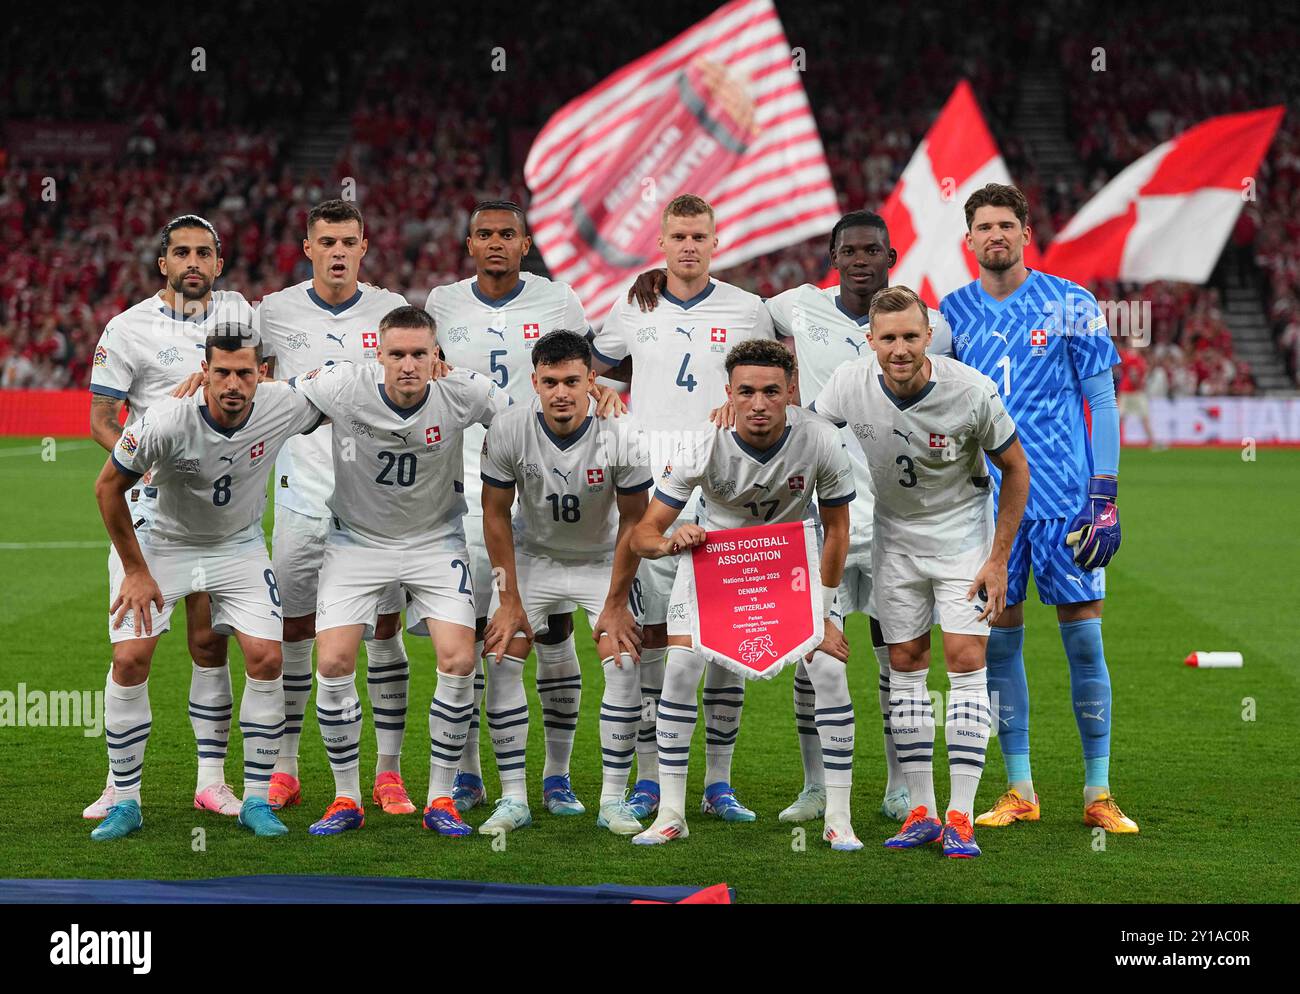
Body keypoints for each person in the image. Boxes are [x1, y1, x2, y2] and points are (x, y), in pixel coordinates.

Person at [940, 183, 1137, 834]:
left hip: (1064, 503)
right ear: (968, 240)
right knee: (1000, 644)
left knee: (1085, 639)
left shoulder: (1072, 304)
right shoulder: (951, 315)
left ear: (1027, 232)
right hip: (987, 508)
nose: (994, 235)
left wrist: (1104, 498)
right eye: (982, 226)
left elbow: (1102, 403)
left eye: (1006, 224)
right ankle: (1019, 787)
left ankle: (1098, 791)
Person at [811, 285, 1029, 857]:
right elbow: (802, 437)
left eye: (911, 336)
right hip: (895, 540)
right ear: (870, 340)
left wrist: (998, 558)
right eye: (888, 338)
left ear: (929, 335)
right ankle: (922, 811)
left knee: (965, 661)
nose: (900, 348)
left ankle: (961, 814)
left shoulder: (969, 390)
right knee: (905, 664)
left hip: (963, 540)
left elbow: (1015, 468)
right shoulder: (848, 385)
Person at [90, 325, 325, 840]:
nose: (233, 384)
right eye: (222, 373)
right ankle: (125, 801)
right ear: (205, 372)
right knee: (130, 658)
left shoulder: (282, 405)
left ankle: (257, 800)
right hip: (160, 545)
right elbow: (107, 488)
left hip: (236, 548)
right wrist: (134, 569)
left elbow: (344, 389)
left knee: (266, 656)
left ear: (261, 374)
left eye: (244, 372)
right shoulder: (167, 419)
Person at [285, 306, 510, 838]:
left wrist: (601, 401)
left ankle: (440, 797)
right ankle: (345, 797)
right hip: (355, 542)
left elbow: (525, 422)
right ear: (377, 355)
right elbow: (273, 398)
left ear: (437, 357)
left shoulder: (465, 391)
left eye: (419, 354)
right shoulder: (343, 384)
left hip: (436, 543)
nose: (408, 365)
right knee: (335, 661)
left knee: (458, 659)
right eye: (397, 354)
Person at [629, 339, 861, 850]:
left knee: (829, 667)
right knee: (681, 666)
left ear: (791, 391)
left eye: (772, 391)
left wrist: (823, 614)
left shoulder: (821, 439)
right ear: (729, 393)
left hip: (793, 567)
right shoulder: (701, 442)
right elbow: (643, 535)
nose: (759, 403)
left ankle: (838, 816)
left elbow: (839, 532)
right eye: (747, 391)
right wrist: (672, 542)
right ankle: (671, 813)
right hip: (717, 566)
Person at [424, 200, 616, 817]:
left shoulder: (560, 301)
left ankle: (556, 777)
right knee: (483, 637)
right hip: (466, 488)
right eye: (484, 234)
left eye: (508, 234)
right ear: (469, 243)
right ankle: (471, 775)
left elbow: (579, 371)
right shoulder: (442, 303)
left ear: (525, 243)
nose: (497, 243)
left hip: (547, 485)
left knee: (553, 632)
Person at [590, 193, 776, 823]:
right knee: (652, 638)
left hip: (723, 484)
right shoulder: (632, 305)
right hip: (649, 485)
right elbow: (597, 366)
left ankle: (717, 782)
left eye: (700, 236)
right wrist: (606, 393)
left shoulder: (747, 308)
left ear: (715, 241)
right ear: (662, 243)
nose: (689, 246)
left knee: (723, 638)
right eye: (679, 236)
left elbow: (776, 382)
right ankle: (648, 779)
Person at [85, 215, 253, 821]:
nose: (192, 262)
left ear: (218, 261)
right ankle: (117, 786)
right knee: (132, 655)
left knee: (210, 645)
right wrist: (139, 458)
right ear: (164, 263)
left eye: (203, 253)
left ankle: (212, 781)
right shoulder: (129, 327)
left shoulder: (243, 317)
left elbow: (270, 382)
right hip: (149, 512)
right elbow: (103, 415)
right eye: (180, 252)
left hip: (219, 510)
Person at [257, 199, 416, 814]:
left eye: (349, 241)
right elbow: (239, 373)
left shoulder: (392, 312)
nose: (339, 252)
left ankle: (389, 772)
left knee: (382, 629)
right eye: (327, 242)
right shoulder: (273, 312)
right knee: (295, 630)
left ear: (364, 246)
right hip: (302, 496)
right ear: (308, 248)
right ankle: (286, 768)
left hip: (376, 506)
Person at [478, 330, 652, 835]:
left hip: (603, 561)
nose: (561, 392)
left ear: (590, 380)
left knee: (621, 663)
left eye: (572, 381)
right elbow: (494, 515)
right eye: (550, 381)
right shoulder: (509, 428)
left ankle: (613, 801)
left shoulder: (622, 434)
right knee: (500, 655)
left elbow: (634, 522)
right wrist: (508, 600)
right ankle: (513, 798)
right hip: (534, 558)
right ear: (533, 381)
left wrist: (617, 602)